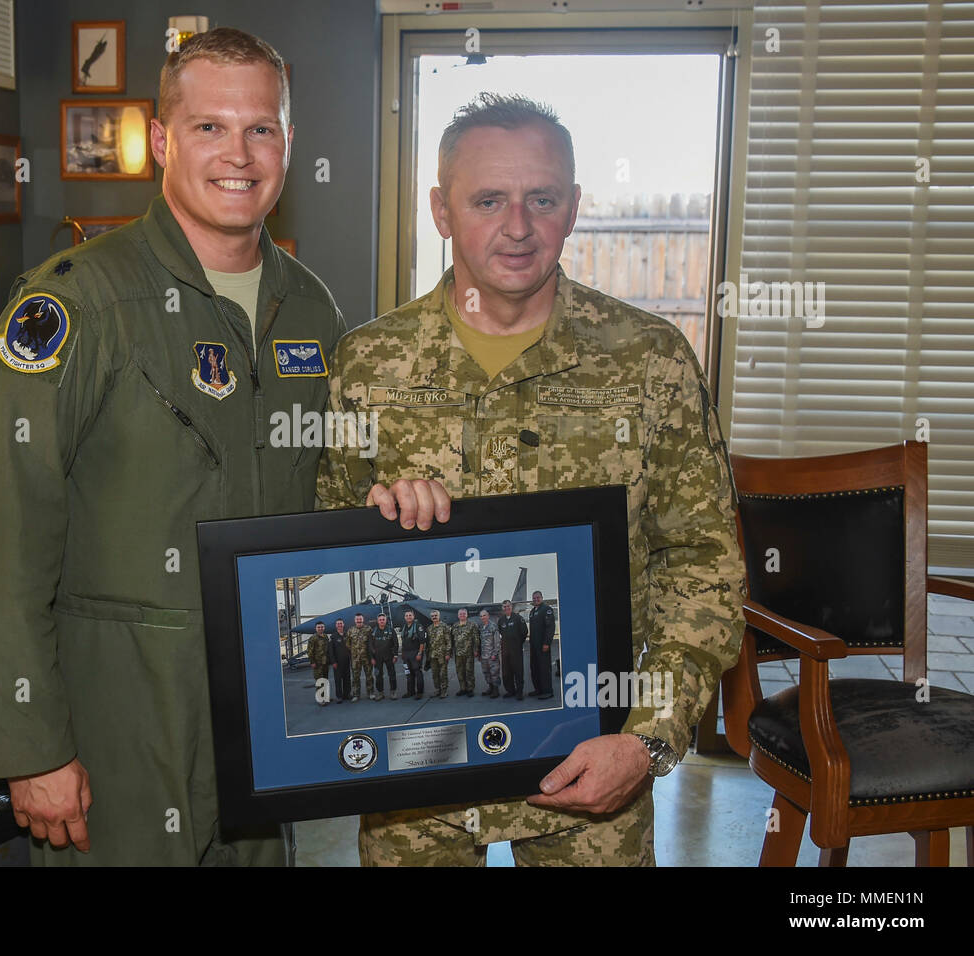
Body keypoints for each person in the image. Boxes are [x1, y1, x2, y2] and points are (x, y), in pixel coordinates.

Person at [0, 28, 353, 867]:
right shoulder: (77, 302)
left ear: (287, 145)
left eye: (261, 129)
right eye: (209, 127)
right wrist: (31, 749)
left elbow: (330, 501)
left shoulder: (311, 310)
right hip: (117, 724)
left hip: (261, 723)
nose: (238, 154)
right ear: (162, 141)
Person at [316, 93, 744, 866]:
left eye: (541, 198)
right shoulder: (368, 366)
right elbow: (325, 547)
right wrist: (374, 526)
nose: (518, 227)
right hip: (419, 785)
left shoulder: (649, 362)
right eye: (488, 200)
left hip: (594, 778)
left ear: (574, 207)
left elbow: (704, 571)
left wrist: (647, 739)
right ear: (441, 210)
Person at [497, 600, 529, 700]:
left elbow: (524, 632)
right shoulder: (501, 620)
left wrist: (518, 643)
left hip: (516, 650)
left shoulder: (518, 618)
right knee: (506, 672)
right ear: (503, 608)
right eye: (504, 607)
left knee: (518, 671)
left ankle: (519, 692)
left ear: (511, 607)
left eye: (508, 606)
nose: (506, 608)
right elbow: (500, 632)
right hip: (505, 650)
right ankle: (510, 691)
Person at [528, 591, 556, 699]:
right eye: (534, 598)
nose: (536, 600)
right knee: (535, 668)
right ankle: (538, 689)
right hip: (534, 645)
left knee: (544, 668)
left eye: (537, 598)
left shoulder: (546, 609)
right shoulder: (532, 611)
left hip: (542, 645)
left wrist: (546, 643)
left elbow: (550, 628)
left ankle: (548, 691)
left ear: (542, 598)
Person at [369, 613, 399, 701]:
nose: (382, 621)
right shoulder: (373, 631)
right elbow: (370, 645)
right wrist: (372, 658)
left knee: (392, 674)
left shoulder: (391, 630)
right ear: (377, 621)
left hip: (389, 656)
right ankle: (380, 693)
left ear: (386, 620)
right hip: (377, 658)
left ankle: (393, 692)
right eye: (380, 620)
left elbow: (395, 643)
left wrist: (396, 655)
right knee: (378, 676)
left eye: (383, 619)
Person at [450, 609, 480, 697]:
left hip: (469, 653)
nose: (462, 615)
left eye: (464, 614)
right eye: (460, 614)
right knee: (460, 671)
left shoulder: (472, 625)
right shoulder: (455, 625)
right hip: (458, 653)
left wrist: (476, 650)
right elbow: (452, 639)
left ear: (467, 615)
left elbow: (476, 638)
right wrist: (451, 651)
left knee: (469, 671)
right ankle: (463, 688)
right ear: (458, 615)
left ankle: (470, 689)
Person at [346, 613, 375, 703]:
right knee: (355, 677)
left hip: (367, 658)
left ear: (363, 620)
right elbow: (347, 644)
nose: (359, 621)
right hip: (355, 659)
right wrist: (354, 651)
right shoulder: (351, 630)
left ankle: (370, 693)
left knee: (369, 676)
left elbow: (372, 643)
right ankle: (356, 695)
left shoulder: (368, 629)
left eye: (360, 619)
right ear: (355, 620)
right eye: (357, 619)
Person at [398, 609, 427, 699]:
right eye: (406, 615)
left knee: (417, 672)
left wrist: (419, 653)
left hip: (415, 652)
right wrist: (403, 653)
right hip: (406, 653)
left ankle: (420, 692)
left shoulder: (418, 626)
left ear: (413, 616)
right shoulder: (404, 627)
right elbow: (403, 641)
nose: (408, 617)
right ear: (405, 617)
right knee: (408, 673)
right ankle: (410, 691)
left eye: (410, 615)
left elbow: (422, 641)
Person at [425, 610, 454, 698]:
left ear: (439, 616)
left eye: (435, 615)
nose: (434, 617)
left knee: (443, 673)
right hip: (433, 655)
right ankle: (437, 689)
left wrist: (448, 653)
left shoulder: (444, 627)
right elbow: (428, 643)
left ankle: (444, 690)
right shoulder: (429, 628)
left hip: (442, 654)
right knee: (434, 673)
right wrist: (428, 655)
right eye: (432, 616)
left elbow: (449, 641)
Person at [476, 610, 502, 699]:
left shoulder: (493, 626)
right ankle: (490, 688)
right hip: (484, 655)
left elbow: (497, 642)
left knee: (494, 673)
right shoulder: (481, 627)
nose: (483, 617)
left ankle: (496, 690)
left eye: (484, 615)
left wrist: (495, 653)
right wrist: (479, 654)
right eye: (481, 616)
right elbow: (479, 642)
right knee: (486, 673)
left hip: (492, 655)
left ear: (488, 616)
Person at [328, 618, 352, 704]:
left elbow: (350, 648)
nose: (339, 625)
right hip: (337, 663)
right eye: (338, 624)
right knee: (338, 680)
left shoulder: (347, 635)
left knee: (347, 679)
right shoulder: (333, 637)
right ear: (336, 625)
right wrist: (333, 662)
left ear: (343, 624)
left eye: (341, 623)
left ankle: (347, 694)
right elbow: (331, 651)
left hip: (347, 661)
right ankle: (339, 696)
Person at [307, 622, 331, 705]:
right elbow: (310, 652)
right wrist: (312, 662)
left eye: (322, 627)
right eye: (319, 627)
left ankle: (326, 697)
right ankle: (320, 699)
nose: (320, 628)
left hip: (325, 663)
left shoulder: (325, 637)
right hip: (317, 663)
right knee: (319, 681)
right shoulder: (313, 638)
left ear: (324, 628)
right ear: (316, 628)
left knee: (325, 680)